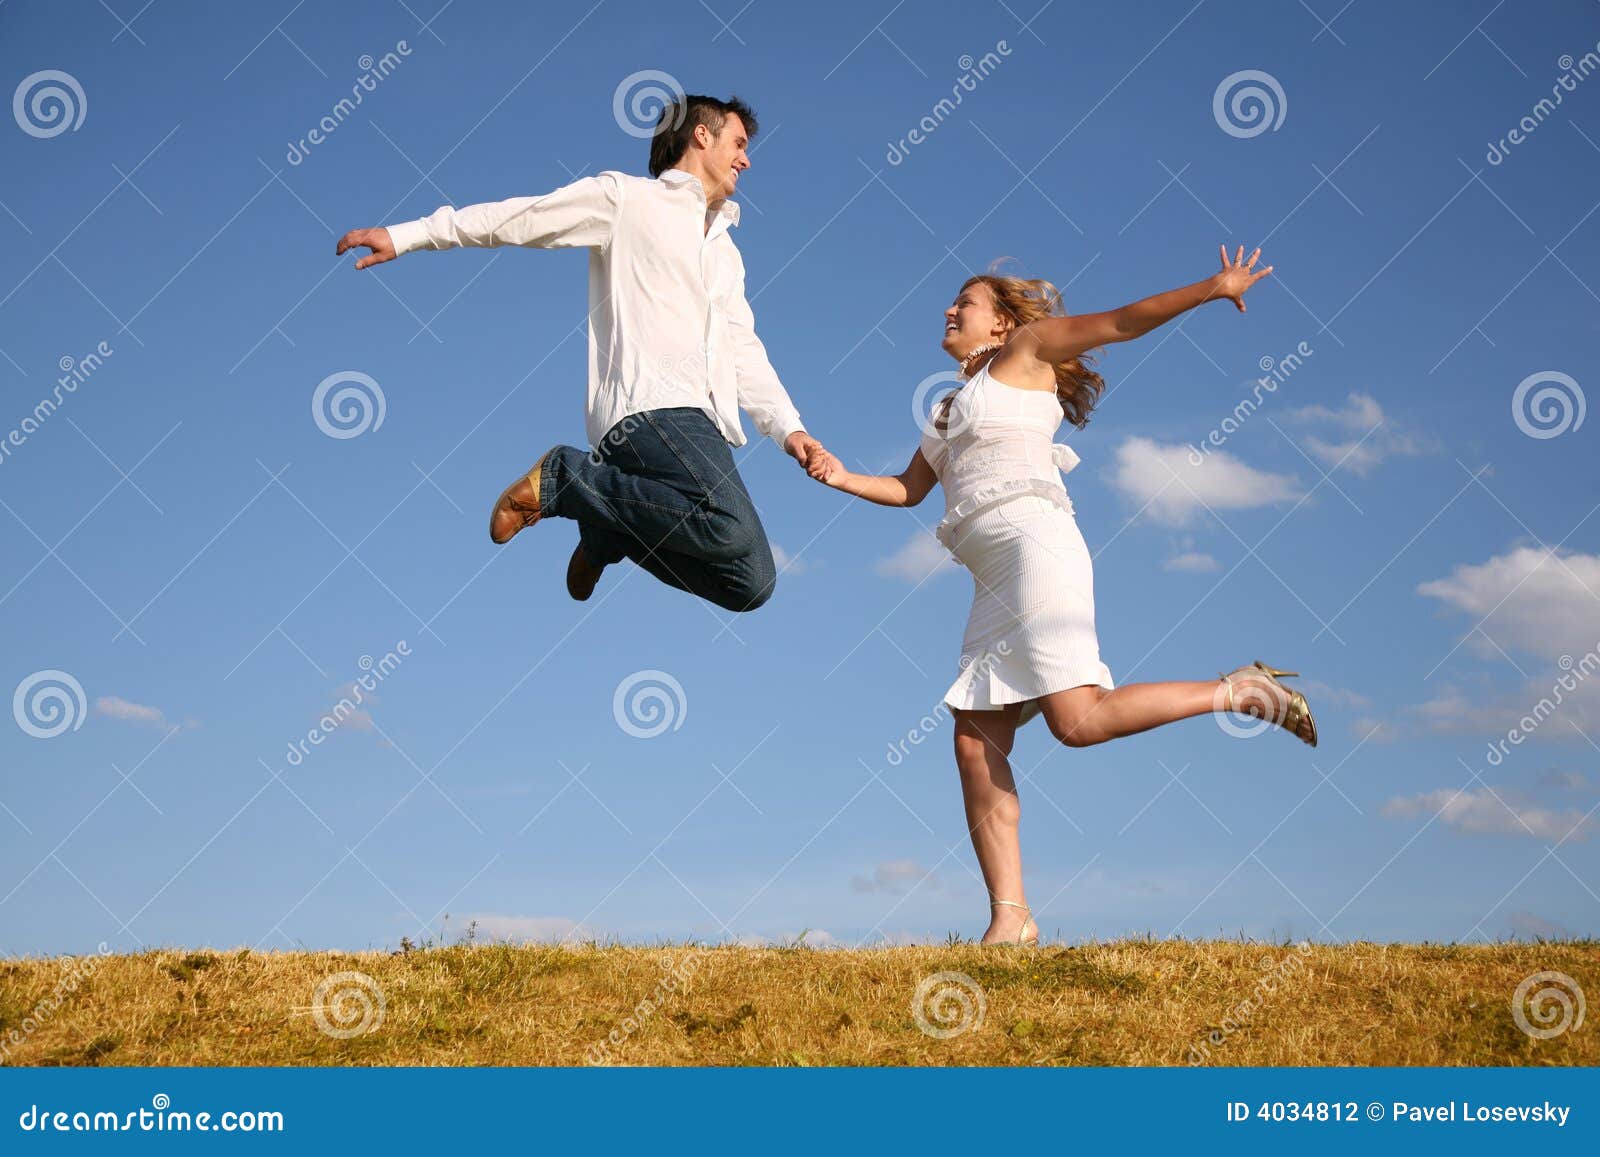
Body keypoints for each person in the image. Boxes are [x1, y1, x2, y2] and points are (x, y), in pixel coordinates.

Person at [815, 247, 1318, 945]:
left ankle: (1236, 690)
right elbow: (909, 489)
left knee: (1077, 722)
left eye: (965, 302)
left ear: (1000, 324)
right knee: (973, 740)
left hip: (1038, 548)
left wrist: (1211, 287)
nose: (949, 310)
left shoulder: (1027, 350)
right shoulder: (950, 405)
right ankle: (1011, 918)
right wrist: (840, 476)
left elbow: (1119, 323)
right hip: (992, 577)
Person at [335, 94, 827, 611]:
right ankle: (564, 479)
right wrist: (410, 234)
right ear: (702, 136)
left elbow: (741, 345)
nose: (746, 160)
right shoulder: (628, 200)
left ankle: (606, 530)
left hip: (697, 423)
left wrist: (788, 428)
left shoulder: (725, 251)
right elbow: (520, 218)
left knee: (750, 583)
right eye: (739, 143)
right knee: (730, 530)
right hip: (652, 407)